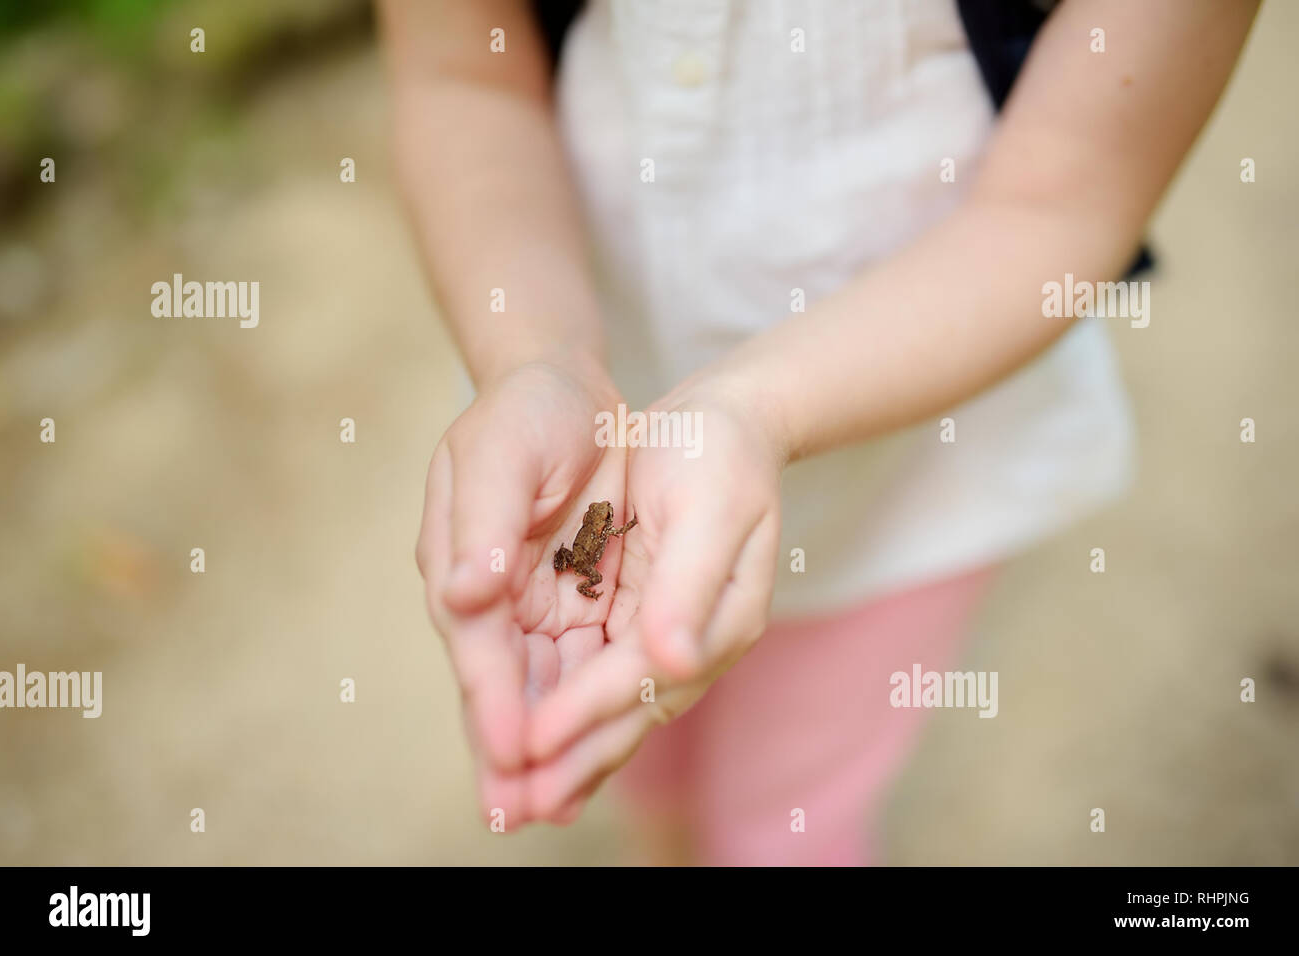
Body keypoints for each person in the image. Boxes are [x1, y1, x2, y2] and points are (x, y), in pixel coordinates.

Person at [380, 0, 1259, 864]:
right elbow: (464, 77)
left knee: (789, 815)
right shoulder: (586, 531)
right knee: (639, 754)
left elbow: (1065, 207)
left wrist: (751, 410)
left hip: (911, 477)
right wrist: (536, 357)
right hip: (603, 402)